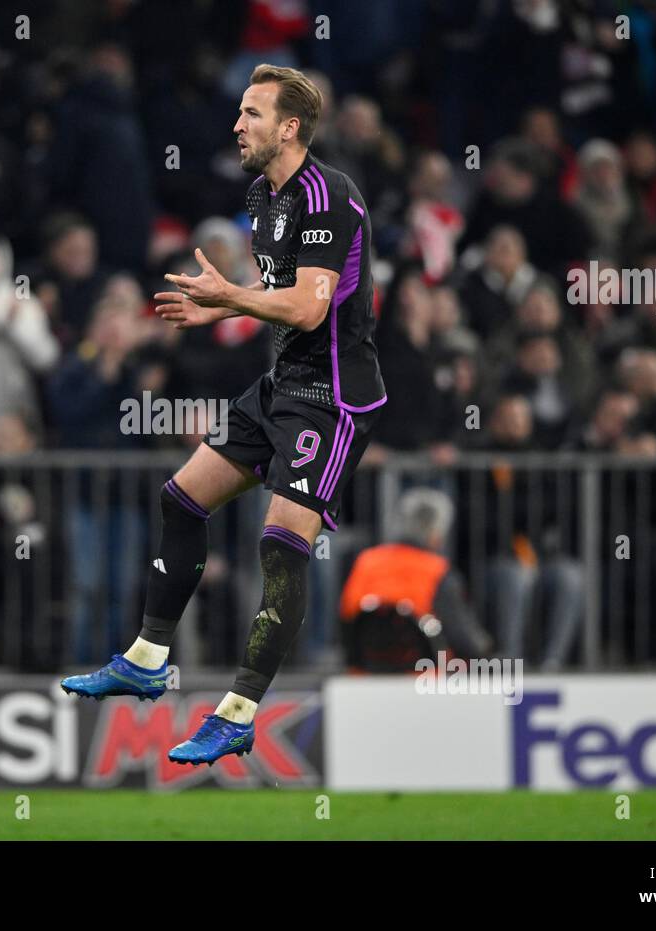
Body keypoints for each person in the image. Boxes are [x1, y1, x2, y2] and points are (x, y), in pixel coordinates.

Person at [60, 65, 385, 767]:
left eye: (252, 113)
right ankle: (148, 658)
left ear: (290, 128)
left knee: (279, 546)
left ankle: (237, 711)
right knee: (180, 498)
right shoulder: (260, 197)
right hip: (282, 385)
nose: (236, 125)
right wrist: (220, 305)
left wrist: (230, 297)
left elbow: (306, 307)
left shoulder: (330, 196)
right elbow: (277, 307)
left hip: (332, 397)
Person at [339, 488, 493, 667]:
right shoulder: (438, 571)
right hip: (423, 680)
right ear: (436, 534)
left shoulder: (366, 561)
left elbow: (347, 617)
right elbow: (464, 640)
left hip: (362, 674)